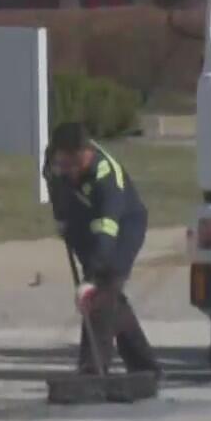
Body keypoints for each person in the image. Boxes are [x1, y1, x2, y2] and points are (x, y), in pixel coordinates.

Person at [45, 122, 160, 376]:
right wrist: (61, 217)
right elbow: (54, 184)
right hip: (83, 222)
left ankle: (92, 368)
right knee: (111, 298)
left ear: (87, 153)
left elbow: (106, 234)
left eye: (74, 164)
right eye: (63, 164)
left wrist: (91, 278)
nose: (69, 171)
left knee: (102, 290)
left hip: (121, 228)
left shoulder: (107, 180)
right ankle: (145, 366)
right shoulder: (54, 161)